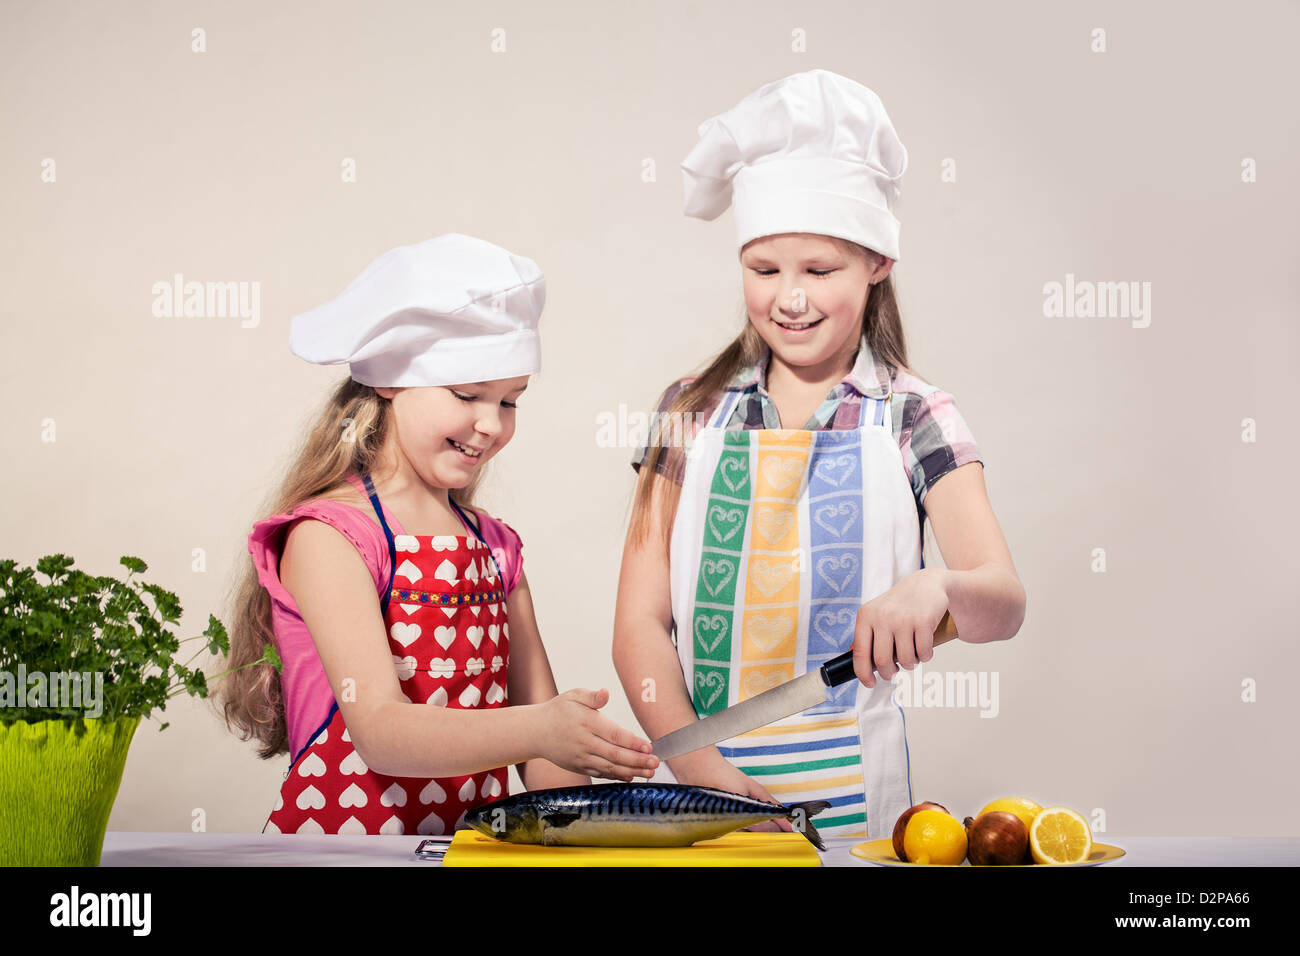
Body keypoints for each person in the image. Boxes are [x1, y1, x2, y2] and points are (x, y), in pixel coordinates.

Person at [613, 71, 1026, 841]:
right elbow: (638, 621)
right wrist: (709, 779)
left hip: (858, 809)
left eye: (820, 270)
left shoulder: (914, 415)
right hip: (706, 796)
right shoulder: (688, 409)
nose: (789, 299)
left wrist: (939, 586)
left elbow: (1003, 602)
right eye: (764, 270)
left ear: (878, 265)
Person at [218, 234, 657, 835]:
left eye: (510, 401)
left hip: (464, 851)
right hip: (339, 855)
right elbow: (381, 733)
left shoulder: (495, 547)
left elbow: (545, 755)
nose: (490, 424)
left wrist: (585, 762)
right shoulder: (331, 536)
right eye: (467, 394)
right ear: (391, 382)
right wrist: (542, 728)